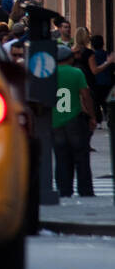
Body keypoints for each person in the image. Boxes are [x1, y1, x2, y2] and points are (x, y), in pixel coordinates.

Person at [52, 45, 96, 197]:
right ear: (69, 59)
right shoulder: (77, 73)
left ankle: (64, 190)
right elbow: (86, 95)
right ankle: (85, 190)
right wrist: (92, 116)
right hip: (74, 119)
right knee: (81, 157)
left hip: (55, 121)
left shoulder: (49, 74)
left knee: (61, 157)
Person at [89, 34, 113, 124]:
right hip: (107, 81)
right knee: (106, 102)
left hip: (96, 82)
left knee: (96, 103)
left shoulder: (92, 56)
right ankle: (108, 118)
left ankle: (99, 120)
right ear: (103, 44)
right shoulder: (107, 54)